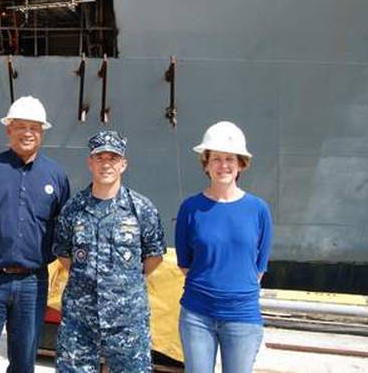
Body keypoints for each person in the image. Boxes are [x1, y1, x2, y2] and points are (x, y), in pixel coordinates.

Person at [0, 95, 71, 373]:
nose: (27, 133)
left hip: (33, 283)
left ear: (42, 132)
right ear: (9, 129)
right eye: (21, 126)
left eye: (34, 127)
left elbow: (61, 225)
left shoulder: (56, 176)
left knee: (23, 365)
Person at [53, 131, 166, 372]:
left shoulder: (141, 209)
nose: (106, 164)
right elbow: (63, 253)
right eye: (100, 158)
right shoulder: (73, 209)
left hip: (127, 319)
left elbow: (154, 255)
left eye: (113, 158)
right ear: (90, 163)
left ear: (123, 164)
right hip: (80, 318)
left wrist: (124, 282)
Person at [175, 121, 273, 373]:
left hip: (242, 316)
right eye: (216, 159)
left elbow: (259, 268)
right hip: (197, 316)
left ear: (241, 164)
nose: (223, 166)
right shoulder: (190, 208)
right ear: (205, 164)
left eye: (230, 159)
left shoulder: (259, 210)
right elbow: (185, 264)